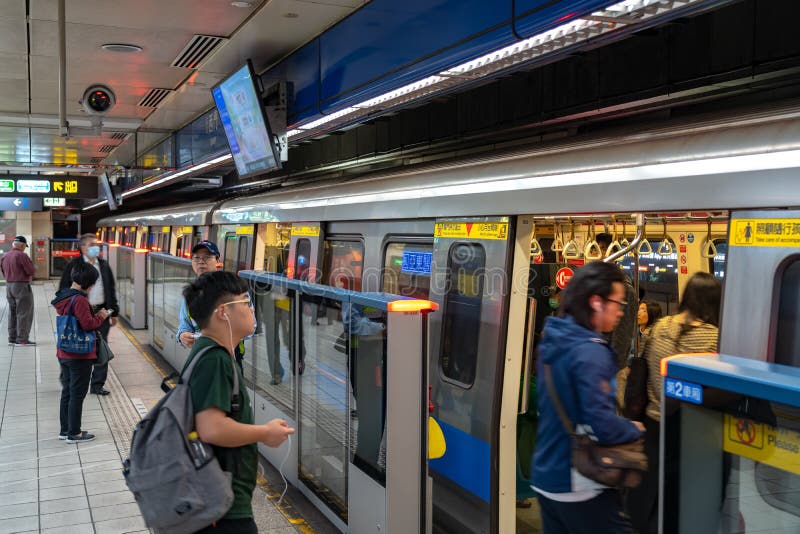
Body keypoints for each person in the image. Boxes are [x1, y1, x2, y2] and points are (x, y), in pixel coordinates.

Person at [531, 261, 644, 534]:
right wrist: (634, 428)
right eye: (618, 303)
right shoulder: (591, 352)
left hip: (546, 474)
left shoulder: (553, 337)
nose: (620, 312)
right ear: (596, 302)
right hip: (579, 481)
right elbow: (602, 425)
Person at [182, 271, 294, 534]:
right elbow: (211, 428)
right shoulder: (214, 359)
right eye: (245, 301)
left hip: (218, 502)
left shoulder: (212, 353)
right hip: (222, 511)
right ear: (224, 312)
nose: (251, 308)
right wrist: (265, 433)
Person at [627, 272, 721, 534]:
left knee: (647, 495)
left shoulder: (660, 327)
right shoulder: (713, 338)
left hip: (652, 424)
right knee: (682, 497)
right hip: (692, 430)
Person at [52, 262, 113, 443]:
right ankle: (75, 433)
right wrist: (101, 316)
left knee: (67, 392)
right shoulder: (79, 299)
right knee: (77, 394)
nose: (93, 286)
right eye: (93, 282)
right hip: (79, 354)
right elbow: (88, 324)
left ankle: (65, 430)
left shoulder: (63, 296)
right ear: (87, 282)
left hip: (64, 351)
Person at [59, 234, 119, 396]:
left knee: (101, 347)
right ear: (83, 247)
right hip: (79, 312)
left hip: (101, 312)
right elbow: (63, 289)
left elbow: (110, 289)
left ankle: (97, 384)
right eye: (92, 244)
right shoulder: (74, 266)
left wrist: (114, 312)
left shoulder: (104, 266)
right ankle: (68, 379)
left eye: (97, 244)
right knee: (75, 345)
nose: (96, 247)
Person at [177, 240, 249, 371]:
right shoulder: (190, 293)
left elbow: (251, 325)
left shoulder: (232, 287)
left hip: (230, 359)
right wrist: (182, 335)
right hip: (200, 358)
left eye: (207, 257)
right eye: (196, 257)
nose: (201, 261)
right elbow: (184, 324)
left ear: (218, 261)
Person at [596, 232, 638, 369]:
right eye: (594, 249)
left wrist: (613, 367)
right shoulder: (592, 282)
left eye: (602, 249)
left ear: (614, 253)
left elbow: (623, 334)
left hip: (609, 366)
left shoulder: (624, 289)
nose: (598, 254)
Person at [1, 236, 36, 346]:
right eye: (24, 246)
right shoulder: (22, 255)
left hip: (9, 286)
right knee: (24, 313)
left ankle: (12, 338)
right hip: (21, 286)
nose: (24, 248)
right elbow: (31, 271)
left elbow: (2, 270)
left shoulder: (5, 256)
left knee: (12, 313)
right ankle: (22, 339)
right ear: (21, 245)